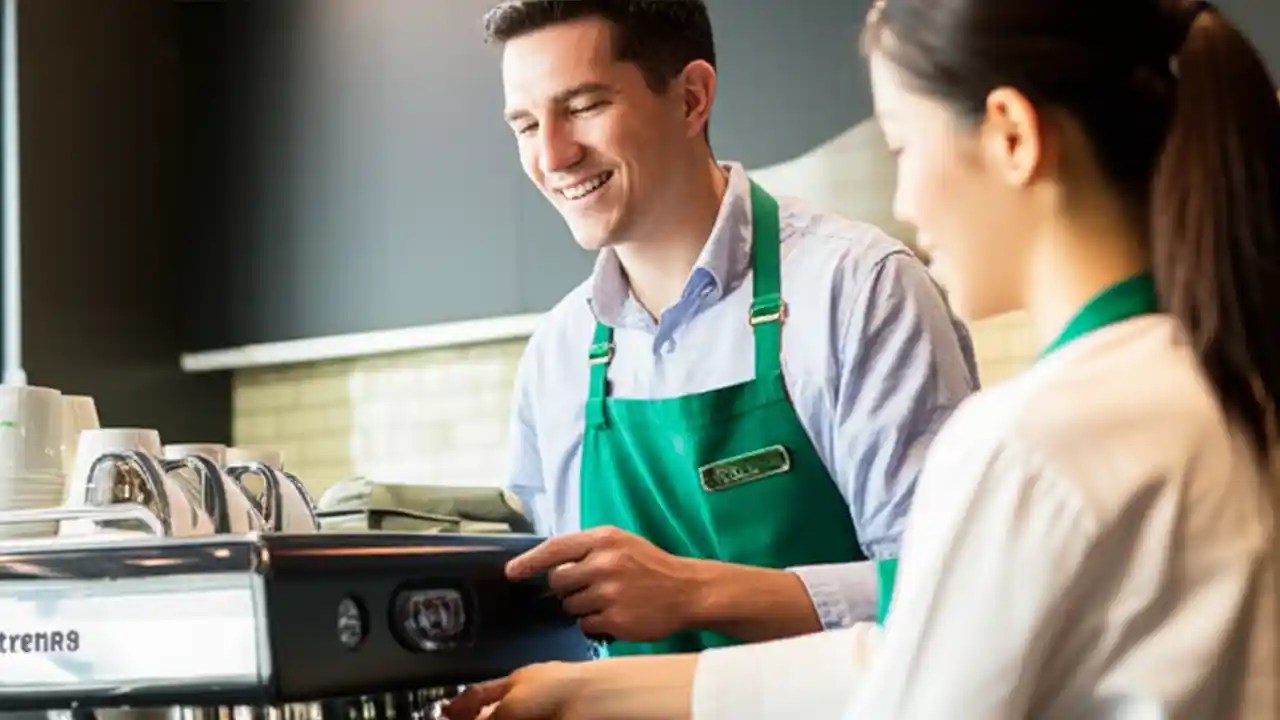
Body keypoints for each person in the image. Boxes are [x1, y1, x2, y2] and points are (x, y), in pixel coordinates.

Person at [445, 0, 1280, 717]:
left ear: (1013, 137)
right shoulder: (1227, 389)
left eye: (903, 149)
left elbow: (908, 679)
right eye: (525, 124)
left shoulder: (1029, 443)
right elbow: (915, 656)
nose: (907, 203)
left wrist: (688, 610)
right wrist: (585, 694)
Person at [482, 0, 979, 658]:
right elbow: (557, 635)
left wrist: (696, 594)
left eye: (583, 106)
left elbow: (951, 593)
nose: (553, 155)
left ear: (691, 98)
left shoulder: (857, 289)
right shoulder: (558, 356)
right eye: (525, 124)